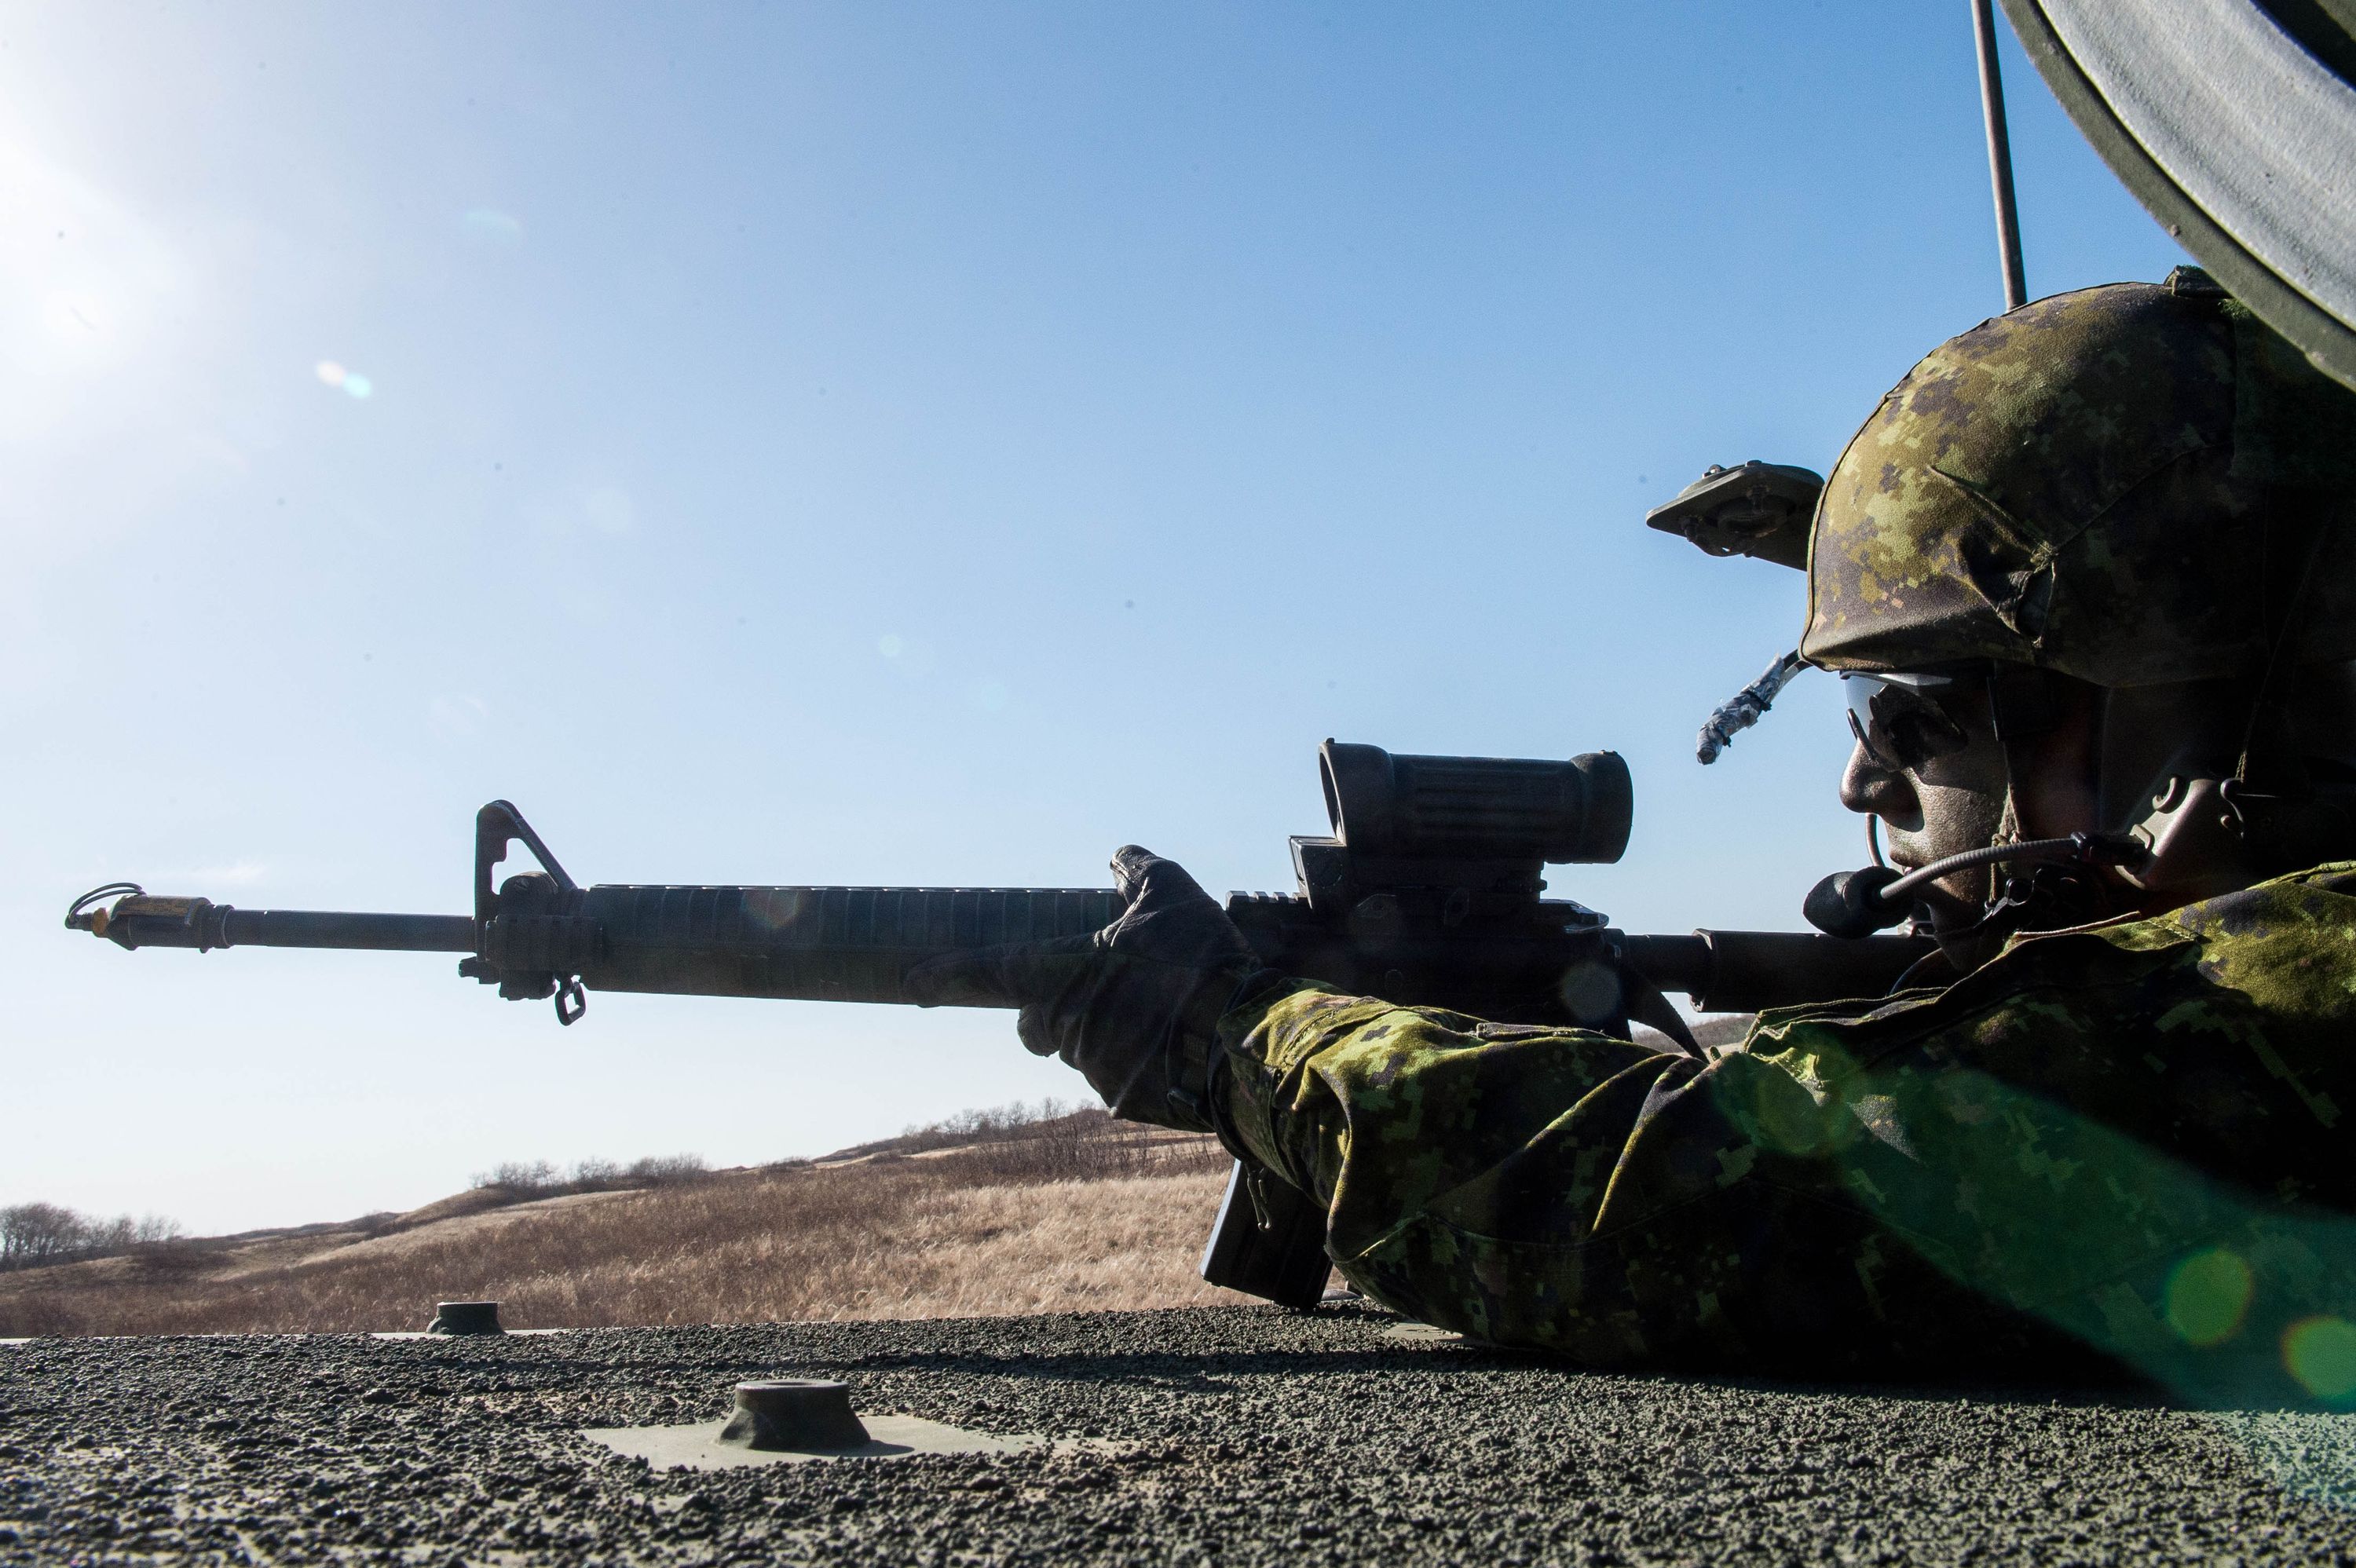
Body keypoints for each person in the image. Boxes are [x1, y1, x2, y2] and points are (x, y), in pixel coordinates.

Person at [913, 271, 2356, 1404]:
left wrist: (1242, 1036)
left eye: (1917, 712)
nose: (1863, 785)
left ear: (2179, 724)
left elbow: (1693, 1204)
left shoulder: (2294, 988)